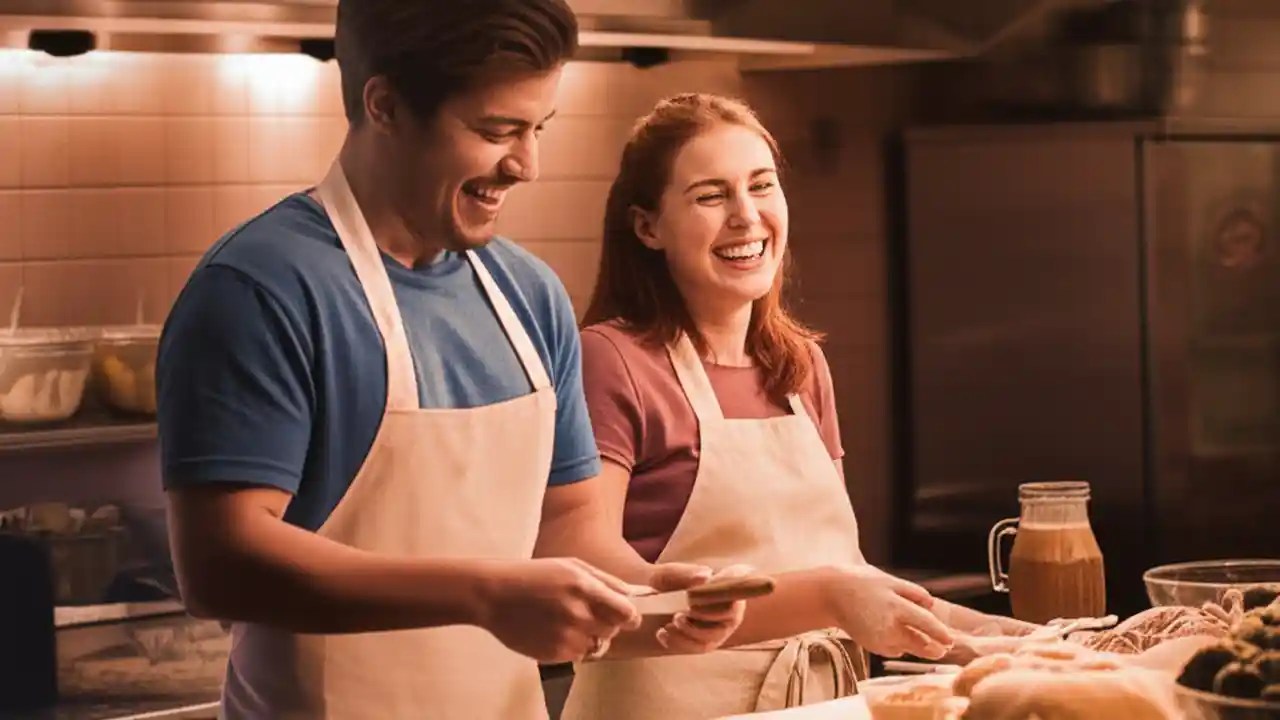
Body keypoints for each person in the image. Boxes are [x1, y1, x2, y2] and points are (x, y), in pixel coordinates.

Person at [156, 4, 745, 719]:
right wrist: (486, 595)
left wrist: (654, 594)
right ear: (386, 106)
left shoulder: (530, 297)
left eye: (538, 130)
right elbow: (221, 564)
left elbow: (567, 532)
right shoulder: (264, 288)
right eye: (498, 131)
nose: (527, 165)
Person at [559, 93, 1035, 720]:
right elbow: (589, 566)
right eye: (710, 196)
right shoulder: (612, 358)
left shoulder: (798, 365)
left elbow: (842, 570)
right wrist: (830, 596)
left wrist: (1008, 643)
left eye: (761, 186)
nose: (746, 216)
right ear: (648, 227)